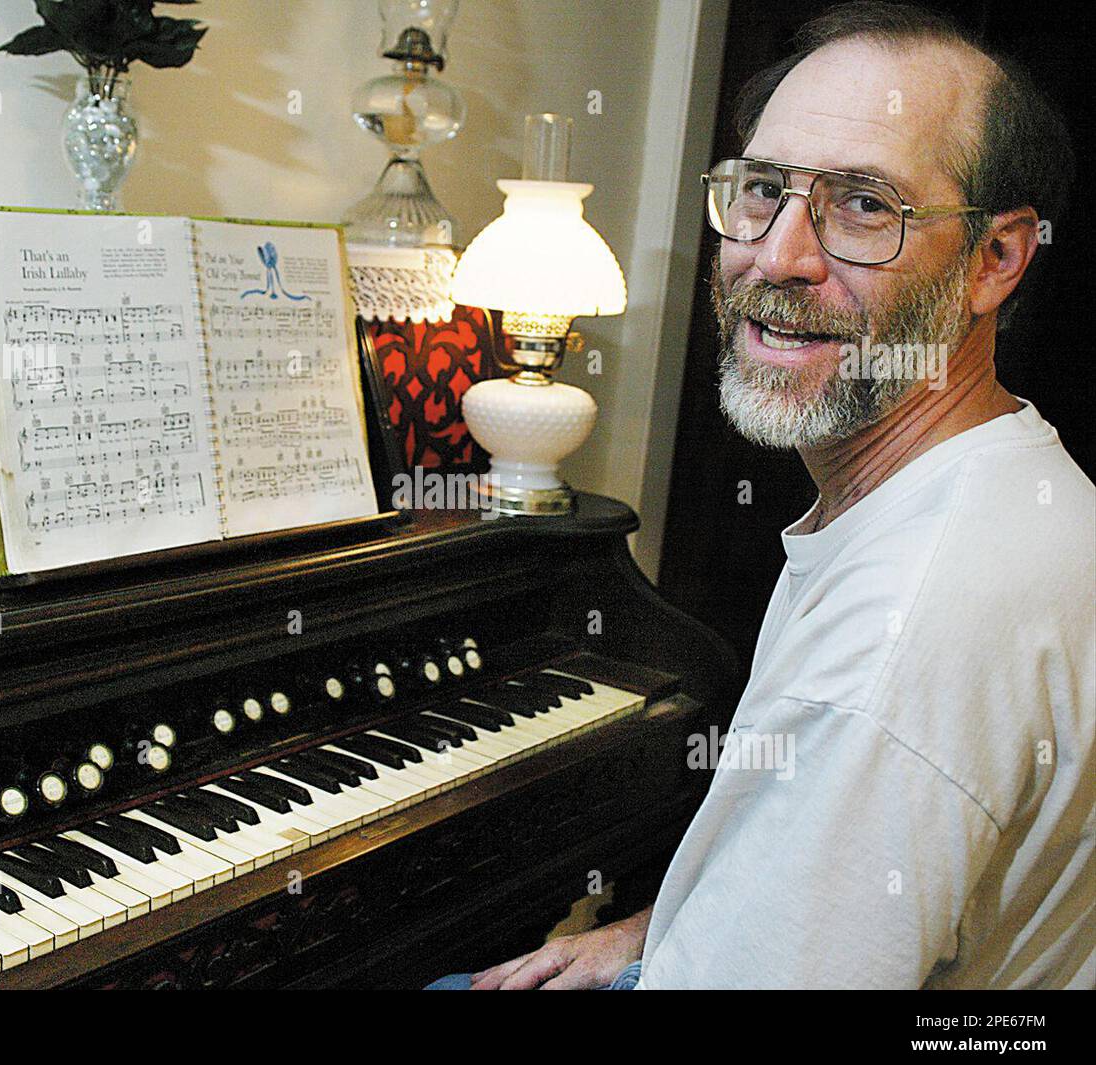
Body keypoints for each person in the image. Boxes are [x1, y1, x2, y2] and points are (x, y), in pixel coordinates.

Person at [456, 2, 1094, 990]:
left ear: (994, 259)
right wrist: (656, 926)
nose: (777, 257)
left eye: (863, 206)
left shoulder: (905, 629)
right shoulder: (1011, 486)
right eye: (761, 191)